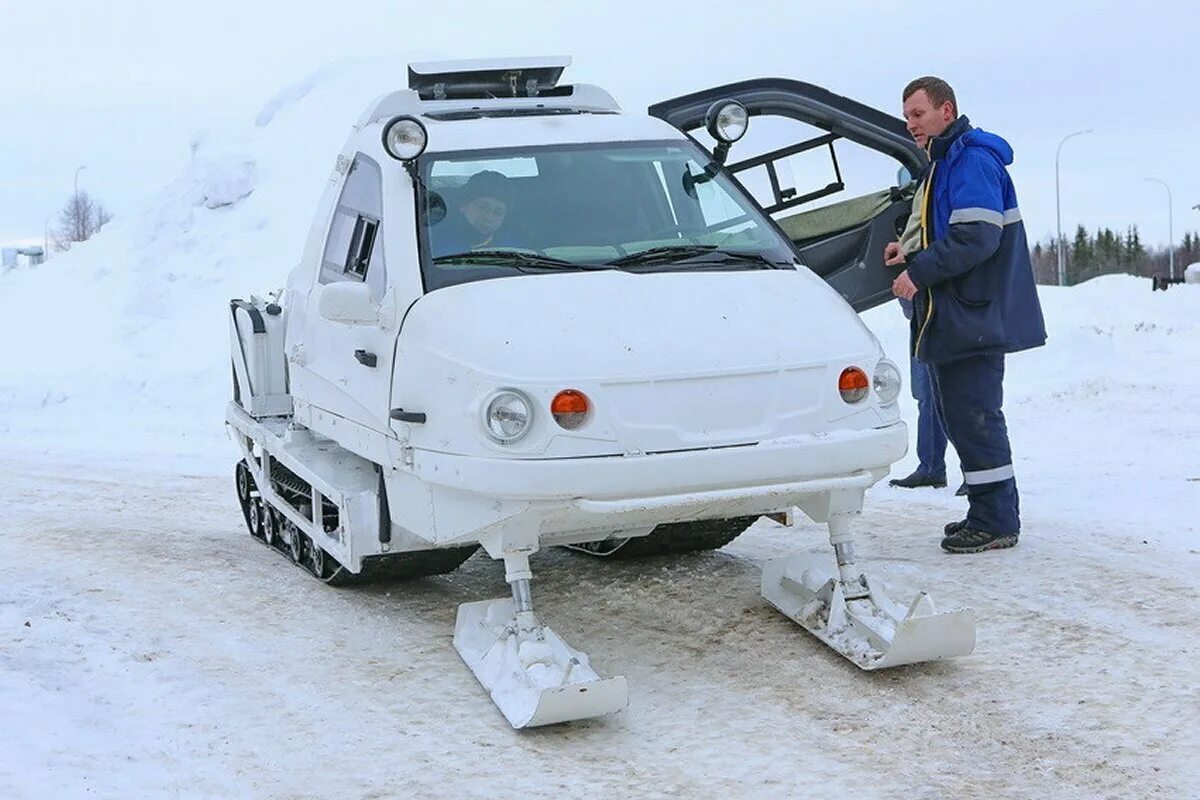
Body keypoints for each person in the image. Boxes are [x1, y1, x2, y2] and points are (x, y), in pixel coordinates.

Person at [887, 77, 1047, 554]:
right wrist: (910, 247)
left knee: (976, 415)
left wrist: (919, 272)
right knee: (960, 414)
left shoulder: (972, 160)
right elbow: (948, 229)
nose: (910, 123)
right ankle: (985, 511)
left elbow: (978, 236)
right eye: (907, 115)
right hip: (957, 312)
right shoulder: (944, 162)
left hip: (973, 313)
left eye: (917, 113)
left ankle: (997, 520)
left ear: (946, 110)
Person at [885, 166, 965, 495]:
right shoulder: (913, 210)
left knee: (957, 397)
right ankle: (930, 466)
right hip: (919, 312)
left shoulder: (944, 205)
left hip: (946, 312)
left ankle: (975, 472)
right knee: (926, 396)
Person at [430, 170, 514, 255]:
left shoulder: (516, 249)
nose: (489, 217)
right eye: (482, 207)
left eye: (498, 213)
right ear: (463, 205)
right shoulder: (431, 240)